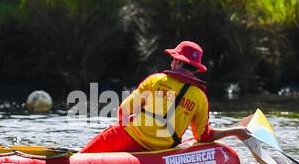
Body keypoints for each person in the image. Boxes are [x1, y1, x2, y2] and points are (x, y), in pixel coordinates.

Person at [78, 41, 250, 153]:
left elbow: (123, 110)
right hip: (162, 149)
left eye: (173, 58)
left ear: (178, 62)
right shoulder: (200, 97)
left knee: (81, 157)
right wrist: (235, 130)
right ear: (196, 68)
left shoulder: (156, 80)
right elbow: (203, 137)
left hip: (131, 137)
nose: (171, 62)